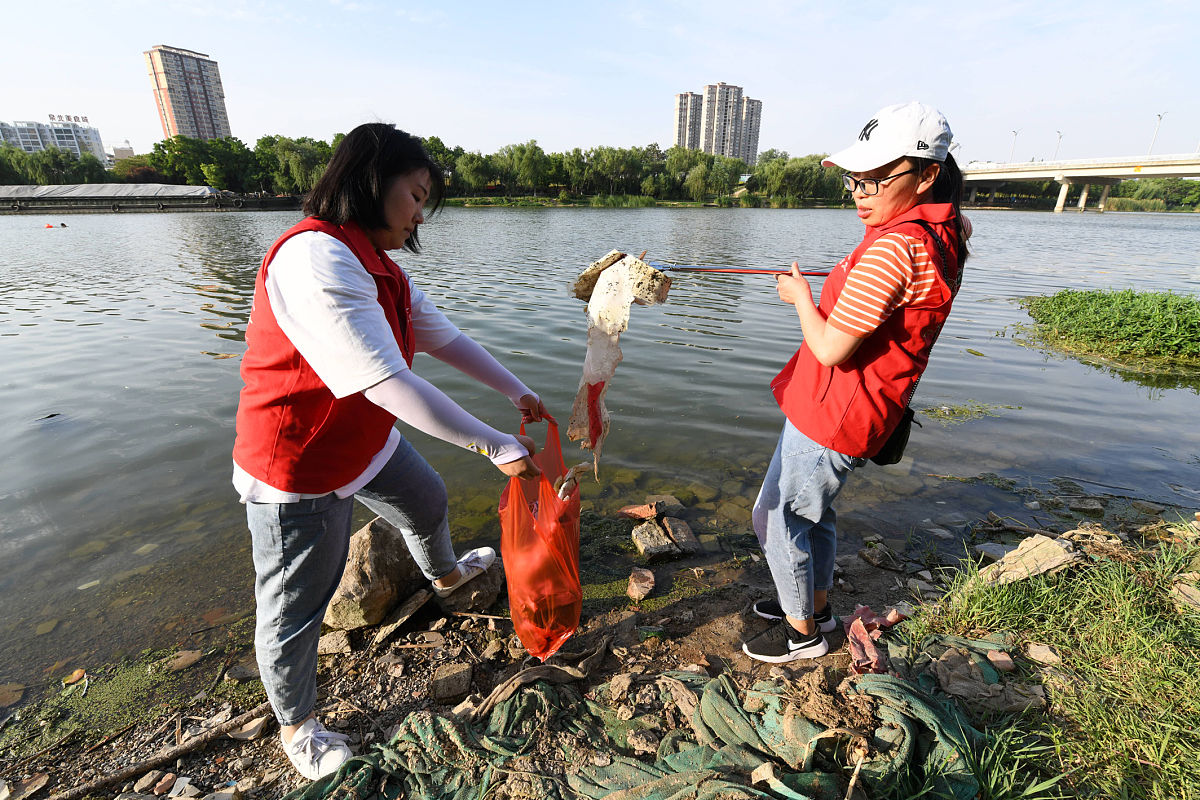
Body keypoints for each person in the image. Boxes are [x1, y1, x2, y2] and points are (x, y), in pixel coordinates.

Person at [232, 123, 548, 779]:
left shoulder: (378, 266)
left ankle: (447, 576)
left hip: (363, 443)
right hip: (299, 466)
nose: (419, 212)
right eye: (415, 193)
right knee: (295, 608)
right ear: (372, 183)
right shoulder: (315, 259)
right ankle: (298, 727)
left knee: (426, 498)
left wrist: (519, 393)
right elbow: (386, 382)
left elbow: (444, 339)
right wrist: (494, 446)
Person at [742, 102, 970, 663]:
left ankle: (803, 636)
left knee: (776, 516)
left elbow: (829, 347)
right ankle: (815, 606)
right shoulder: (942, 230)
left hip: (837, 409)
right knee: (813, 512)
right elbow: (897, 292)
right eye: (854, 178)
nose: (860, 191)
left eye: (876, 177)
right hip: (860, 407)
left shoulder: (895, 245)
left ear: (927, 173)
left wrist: (800, 299)